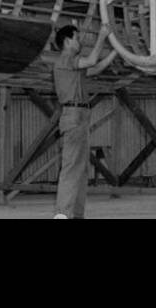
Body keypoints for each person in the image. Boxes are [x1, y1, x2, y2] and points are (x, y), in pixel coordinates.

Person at [51, 24, 104, 219]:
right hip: (73, 114)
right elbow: (92, 60)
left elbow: (95, 67)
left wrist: (116, 52)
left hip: (80, 114)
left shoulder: (73, 65)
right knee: (72, 165)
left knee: (81, 169)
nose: (79, 41)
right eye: (76, 38)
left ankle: (75, 213)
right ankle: (62, 213)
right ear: (67, 41)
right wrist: (103, 37)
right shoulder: (66, 59)